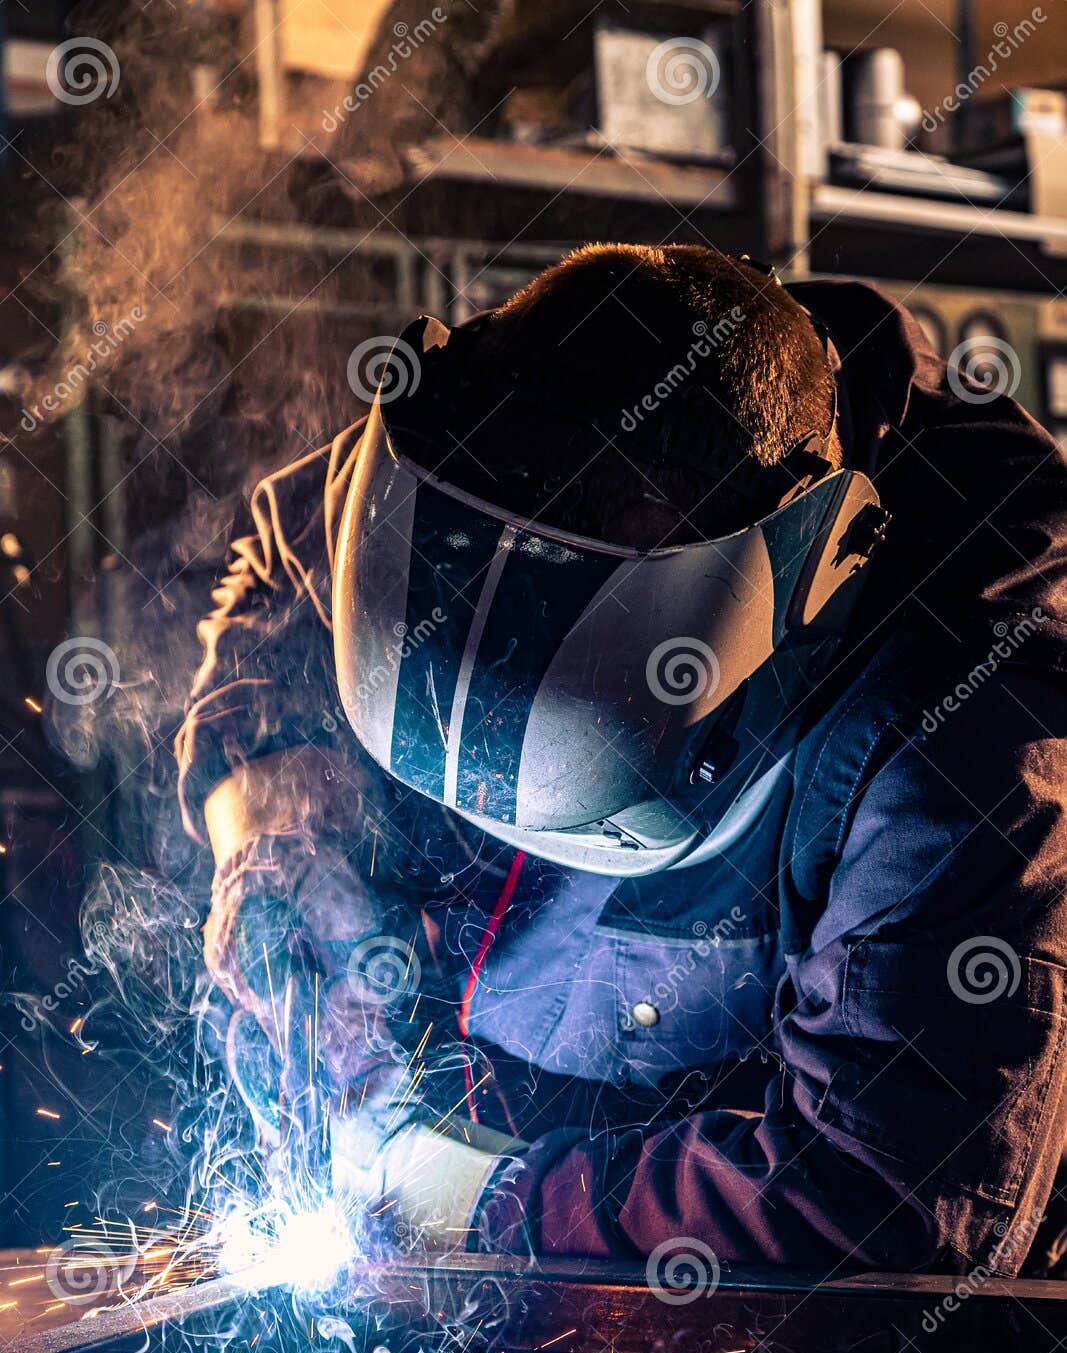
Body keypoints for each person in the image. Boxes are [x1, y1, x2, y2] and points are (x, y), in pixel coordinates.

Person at [177, 243, 1067, 1277]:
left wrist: (477, 1197)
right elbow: (281, 568)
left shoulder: (970, 729)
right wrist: (274, 834)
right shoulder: (450, 456)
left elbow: (894, 1206)